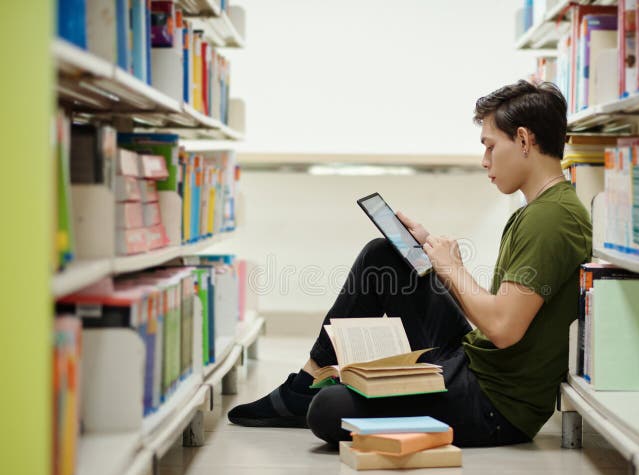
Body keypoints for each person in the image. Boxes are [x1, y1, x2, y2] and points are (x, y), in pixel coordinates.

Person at [227, 79, 592, 447]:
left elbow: (503, 328)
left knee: (328, 410)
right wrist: (435, 256)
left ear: (525, 141)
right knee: (383, 257)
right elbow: (500, 325)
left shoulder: (552, 219)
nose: (485, 161)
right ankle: (304, 383)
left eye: (490, 146)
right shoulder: (541, 211)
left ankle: (307, 396)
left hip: (492, 407)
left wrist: (452, 269)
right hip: (474, 364)